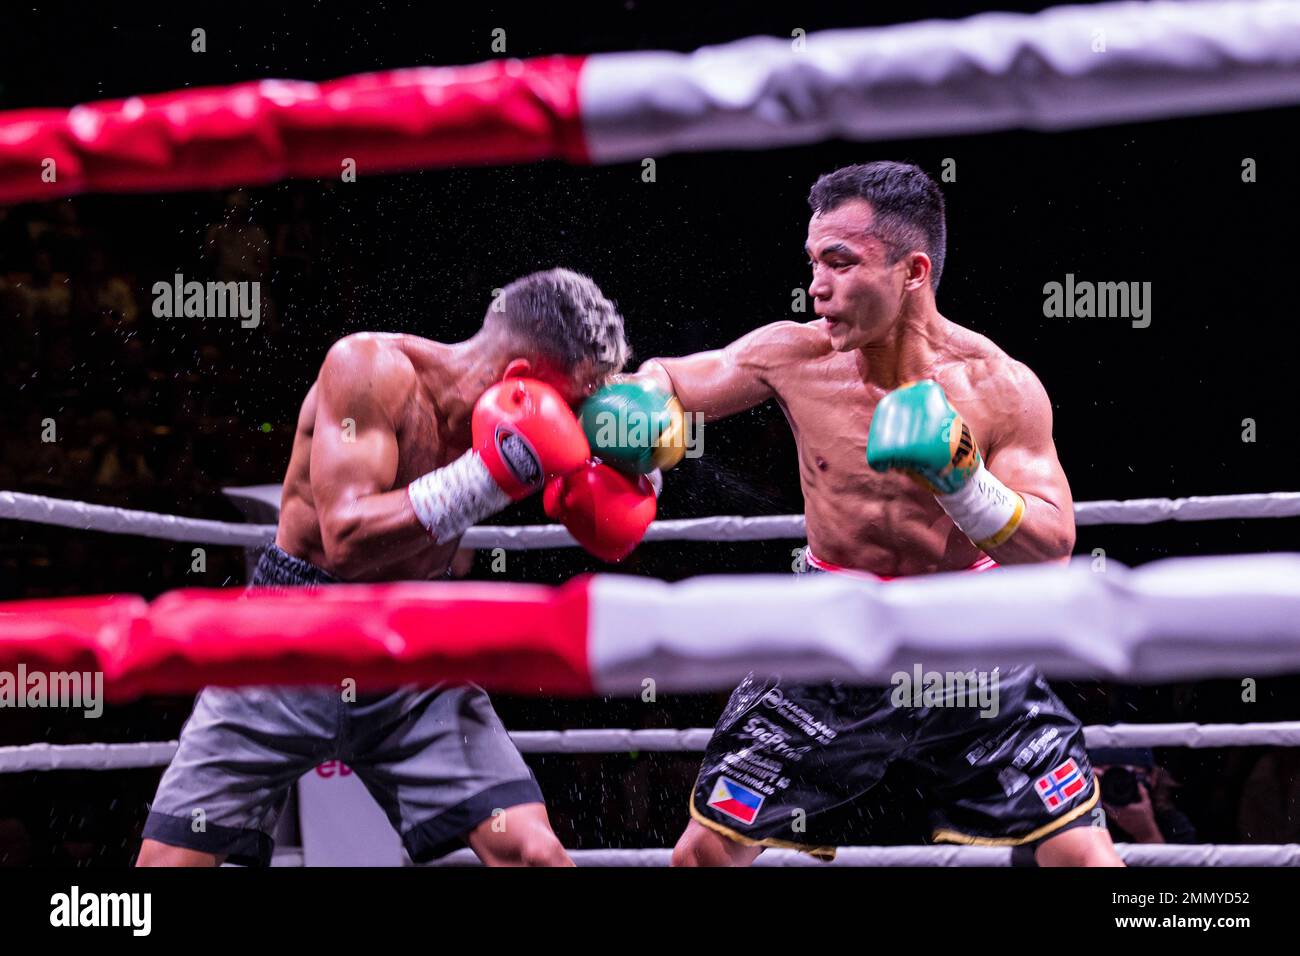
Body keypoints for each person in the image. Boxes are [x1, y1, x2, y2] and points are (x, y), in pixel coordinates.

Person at [606, 161, 1122, 866]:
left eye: (841, 262)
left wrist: (962, 479)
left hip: (969, 646)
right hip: (833, 638)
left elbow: (1053, 546)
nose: (817, 285)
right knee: (704, 855)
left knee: (1087, 861)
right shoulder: (791, 355)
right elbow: (673, 376)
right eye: (814, 261)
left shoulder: (1000, 388)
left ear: (913, 271)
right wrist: (638, 401)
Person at [138, 267, 651, 866]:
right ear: (520, 382)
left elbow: (605, 453)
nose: (576, 423)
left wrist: (633, 464)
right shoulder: (369, 369)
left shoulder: (521, 423)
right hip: (287, 640)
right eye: (573, 405)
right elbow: (346, 539)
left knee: (534, 852)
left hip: (411, 650)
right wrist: (489, 476)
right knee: (166, 867)